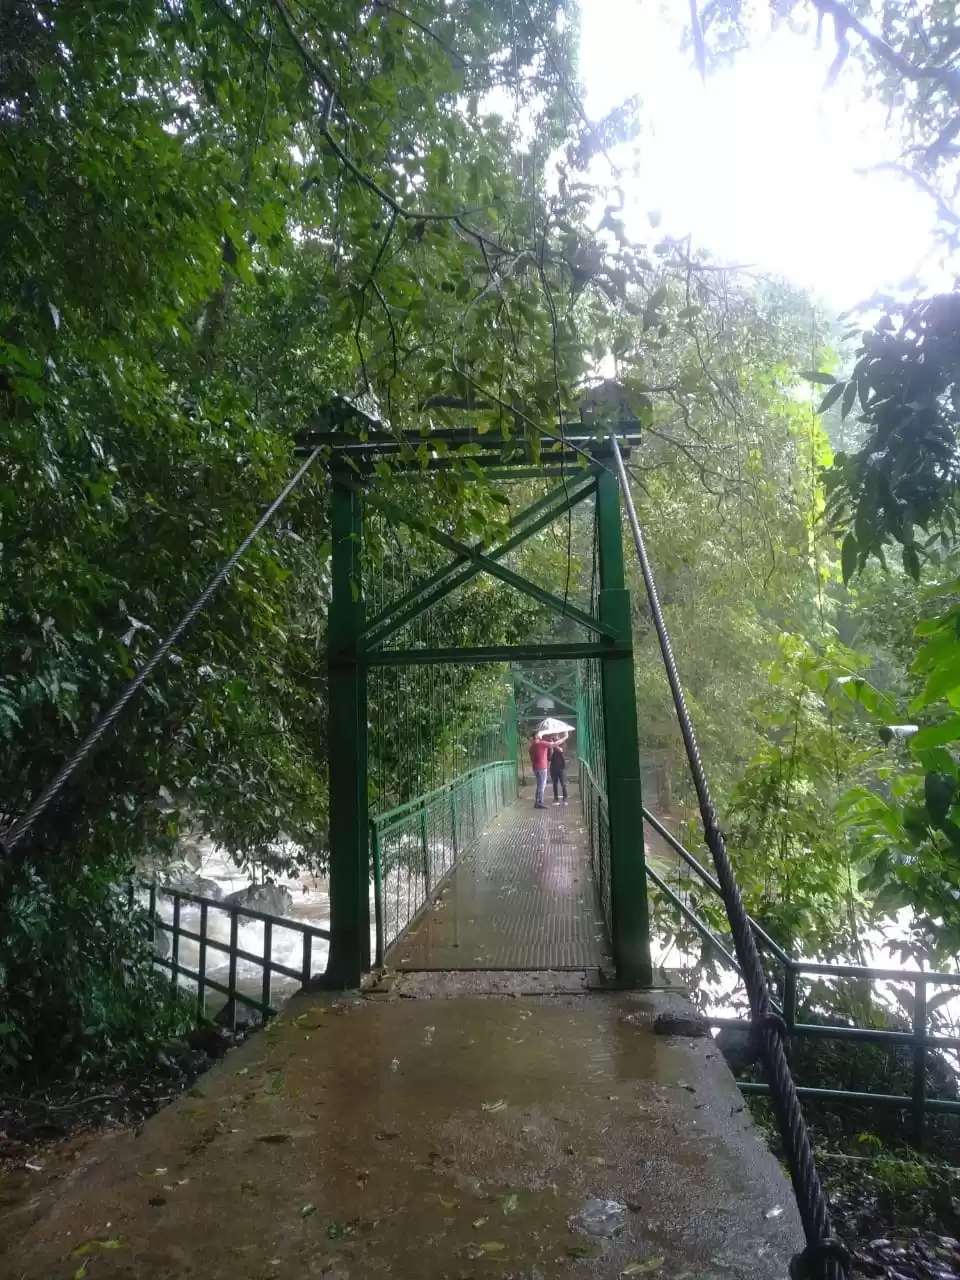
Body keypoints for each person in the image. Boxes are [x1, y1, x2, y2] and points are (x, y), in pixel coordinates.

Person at [529, 733, 550, 809]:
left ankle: (537, 802)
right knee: (541, 786)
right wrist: (565, 737)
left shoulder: (533, 744)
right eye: (540, 733)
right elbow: (554, 744)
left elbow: (530, 753)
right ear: (537, 736)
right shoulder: (540, 743)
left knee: (539, 785)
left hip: (536, 767)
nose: (541, 735)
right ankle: (539, 803)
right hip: (542, 768)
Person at [549, 735, 569, 805]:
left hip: (561, 767)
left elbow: (561, 750)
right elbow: (549, 758)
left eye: (557, 737)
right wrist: (551, 748)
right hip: (553, 767)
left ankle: (565, 798)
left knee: (563, 784)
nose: (555, 739)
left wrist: (554, 745)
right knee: (555, 784)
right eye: (554, 738)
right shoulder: (551, 746)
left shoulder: (563, 744)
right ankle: (555, 798)